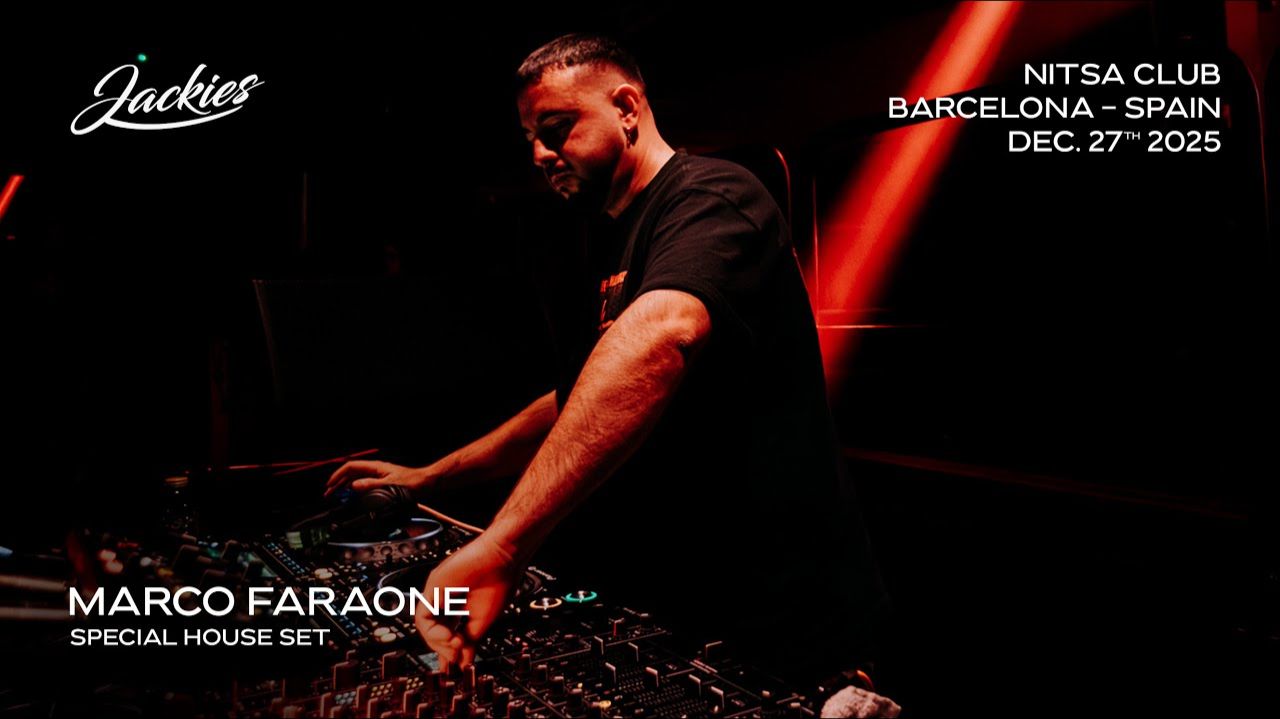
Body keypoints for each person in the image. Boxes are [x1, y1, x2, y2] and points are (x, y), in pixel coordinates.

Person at [326, 33, 888, 686]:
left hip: (791, 626)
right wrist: (429, 477)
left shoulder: (715, 197)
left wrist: (505, 543)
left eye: (556, 129)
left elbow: (662, 331)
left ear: (626, 107)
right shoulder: (610, 238)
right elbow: (577, 399)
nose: (539, 154)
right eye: (530, 138)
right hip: (695, 612)